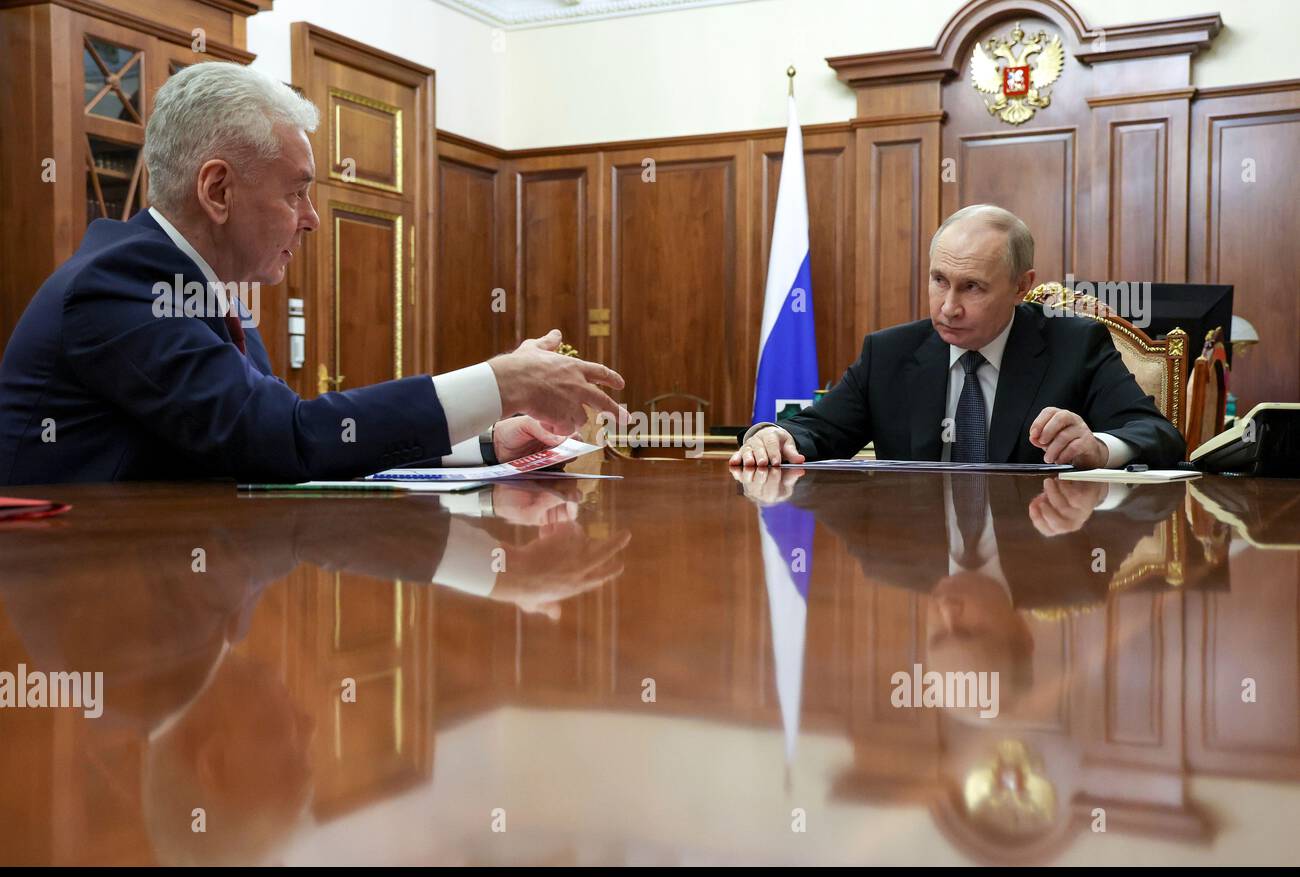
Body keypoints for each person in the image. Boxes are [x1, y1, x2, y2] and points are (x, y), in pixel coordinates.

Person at [0, 62, 623, 484]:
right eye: (297, 193)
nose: (312, 219)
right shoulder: (119, 287)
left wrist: (486, 443)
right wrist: (497, 382)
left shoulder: (199, 287)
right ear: (217, 189)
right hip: (88, 612)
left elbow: (296, 438)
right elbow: (283, 440)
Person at [730, 204, 1185, 470]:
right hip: (926, 565)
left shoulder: (1075, 345)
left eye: (973, 287)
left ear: (1022, 286)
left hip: (1036, 556)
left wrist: (1099, 449)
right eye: (938, 280)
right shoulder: (888, 354)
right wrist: (772, 435)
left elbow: (1160, 436)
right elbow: (815, 432)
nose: (948, 307)